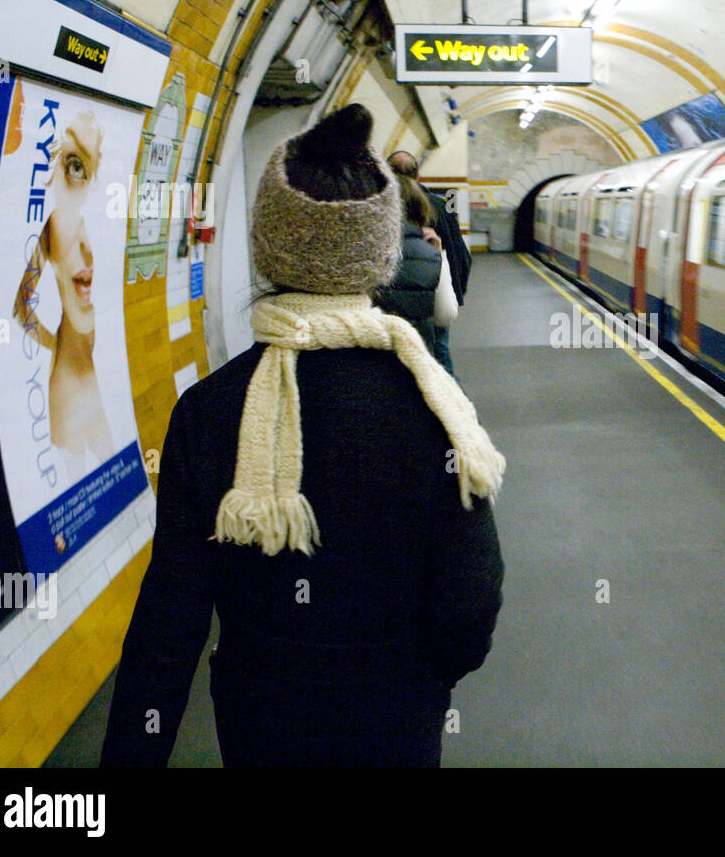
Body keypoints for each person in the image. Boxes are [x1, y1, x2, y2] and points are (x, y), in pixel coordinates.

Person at [100, 103, 505, 767]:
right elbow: (471, 597)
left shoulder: (209, 410)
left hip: (261, 712)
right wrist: (422, 678)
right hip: (396, 717)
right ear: (377, 255)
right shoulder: (435, 407)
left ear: (268, 246)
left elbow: (170, 621)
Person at [13, 111, 114, 483]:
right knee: (77, 479)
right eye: (73, 164)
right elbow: (22, 306)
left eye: (87, 167)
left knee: (106, 472)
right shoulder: (57, 222)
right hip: (69, 384)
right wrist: (56, 345)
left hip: (89, 376)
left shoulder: (83, 224)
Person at [387, 150, 470, 376]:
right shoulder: (440, 207)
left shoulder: (378, 209)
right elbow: (461, 255)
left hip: (388, 303)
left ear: (386, 174)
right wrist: (454, 293)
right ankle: (450, 406)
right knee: (439, 355)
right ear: (419, 175)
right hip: (433, 298)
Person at [374, 173, 457, 358]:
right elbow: (445, 315)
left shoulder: (364, 250)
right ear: (420, 209)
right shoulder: (430, 254)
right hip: (415, 358)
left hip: (371, 356)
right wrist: (439, 254)